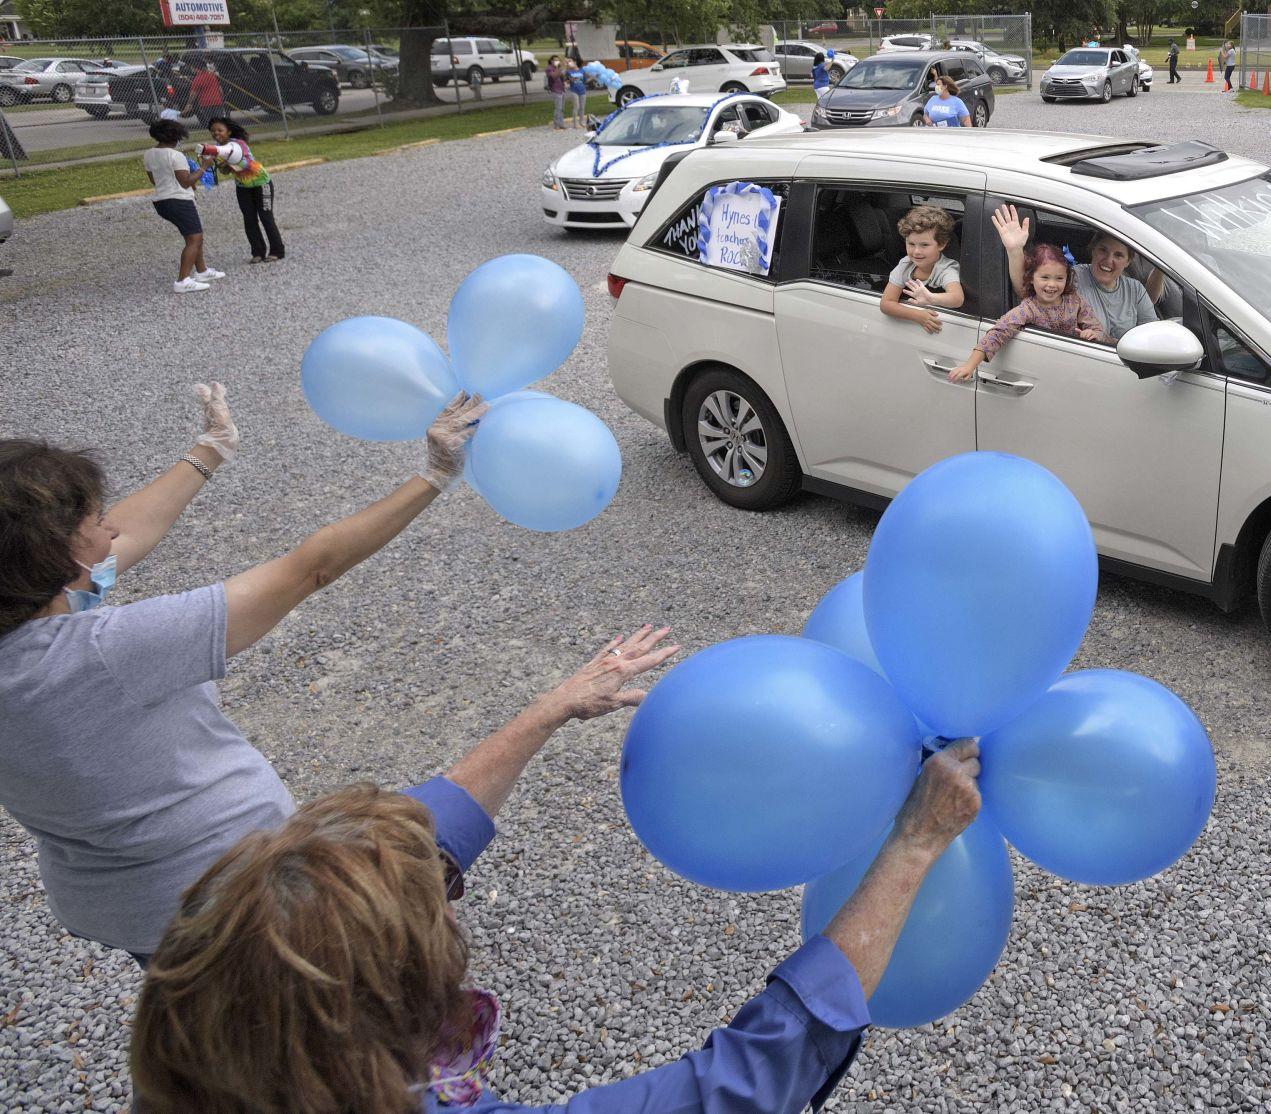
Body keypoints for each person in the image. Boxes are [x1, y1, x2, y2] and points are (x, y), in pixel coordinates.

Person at [130, 708, 981, 1113]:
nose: (453, 924)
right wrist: (911, 847)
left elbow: (402, 859)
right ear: (381, 1027)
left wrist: (546, 712)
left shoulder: (210, 1052)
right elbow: (732, 1088)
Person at [0, 389, 490, 964]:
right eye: (96, 521)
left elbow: (117, 546)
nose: (111, 531)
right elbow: (311, 568)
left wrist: (208, 453)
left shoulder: (22, 614)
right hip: (232, 898)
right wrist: (433, 476)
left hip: (127, 906)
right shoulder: (106, 653)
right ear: (54, 558)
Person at [991, 202, 1163, 344]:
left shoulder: (1136, 289)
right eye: (1103, 250)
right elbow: (1026, 292)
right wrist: (1014, 250)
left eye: (1118, 255)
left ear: (1128, 262)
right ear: (1093, 250)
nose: (1109, 260)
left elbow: (1153, 338)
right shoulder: (1073, 277)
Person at [948, 243, 1101, 382]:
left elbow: (1097, 329)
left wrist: (1091, 333)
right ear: (1031, 278)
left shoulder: (1074, 301)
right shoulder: (1028, 309)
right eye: (1045, 277)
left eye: (1059, 278)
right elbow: (998, 332)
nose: (1052, 284)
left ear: (1067, 279)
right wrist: (969, 366)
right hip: (1040, 370)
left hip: (1076, 367)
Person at [143, 119, 223, 295]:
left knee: (193, 236)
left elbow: (154, 180)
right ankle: (183, 280)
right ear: (175, 136)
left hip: (161, 201)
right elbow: (186, 182)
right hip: (179, 201)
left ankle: (202, 271)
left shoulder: (149, 154)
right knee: (195, 239)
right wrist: (204, 167)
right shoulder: (175, 156)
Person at [202, 117, 284, 264]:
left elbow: (246, 163)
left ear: (229, 132)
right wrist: (212, 162)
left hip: (261, 183)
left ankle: (277, 251)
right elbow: (225, 171)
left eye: (220, 130)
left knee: (266, 217)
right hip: (243, 187)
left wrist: (227, 161)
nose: (216, 133)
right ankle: (258, 252)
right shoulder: (216, 150)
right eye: (213, 131)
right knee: (249, 219)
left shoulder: (238, 144)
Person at [881, 204, 964, 335]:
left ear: (941, 244)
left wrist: (931, 298)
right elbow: (886, 303)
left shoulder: (946, 269)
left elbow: (957, 298)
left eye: (924, 245)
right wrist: (917, 315)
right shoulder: (906, 265)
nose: (916, 251)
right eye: (911, 244)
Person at [180, 59, 224, 131]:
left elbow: (193, 94)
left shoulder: (197, 79)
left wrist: (189, 104)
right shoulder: (212, 75)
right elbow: (220, 89)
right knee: (219, 120)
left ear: (196, 68)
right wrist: (222, 98)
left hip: (206, 103)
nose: (192, 70)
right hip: (217, 101)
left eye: (192, 68)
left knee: (211, 121)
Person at [544, 56, 567, 129]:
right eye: (555, 60)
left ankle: (561, 124)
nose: (557, 61)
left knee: (562, 108)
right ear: (551, 61)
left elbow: (562, 77)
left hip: (561, 89)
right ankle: (556, 124)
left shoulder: (558, 68)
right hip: (555, 90)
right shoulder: (549, 69)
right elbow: (553, 76)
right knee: (558, 108)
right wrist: (558, 68)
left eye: (558, 60)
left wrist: (563, 68)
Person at [567, 61, 589, 128]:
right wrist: (571, 79)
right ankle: (575, 124)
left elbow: (585, 81)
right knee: (576, 107)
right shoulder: (569, 72)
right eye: (569, 63)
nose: (570, 63)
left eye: (571, 62)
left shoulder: (582, 71)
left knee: (582, 107)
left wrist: (594, 77)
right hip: (574, 90)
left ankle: (581, 122)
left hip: (582, 90)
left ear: (575, 63)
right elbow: (568, 81)